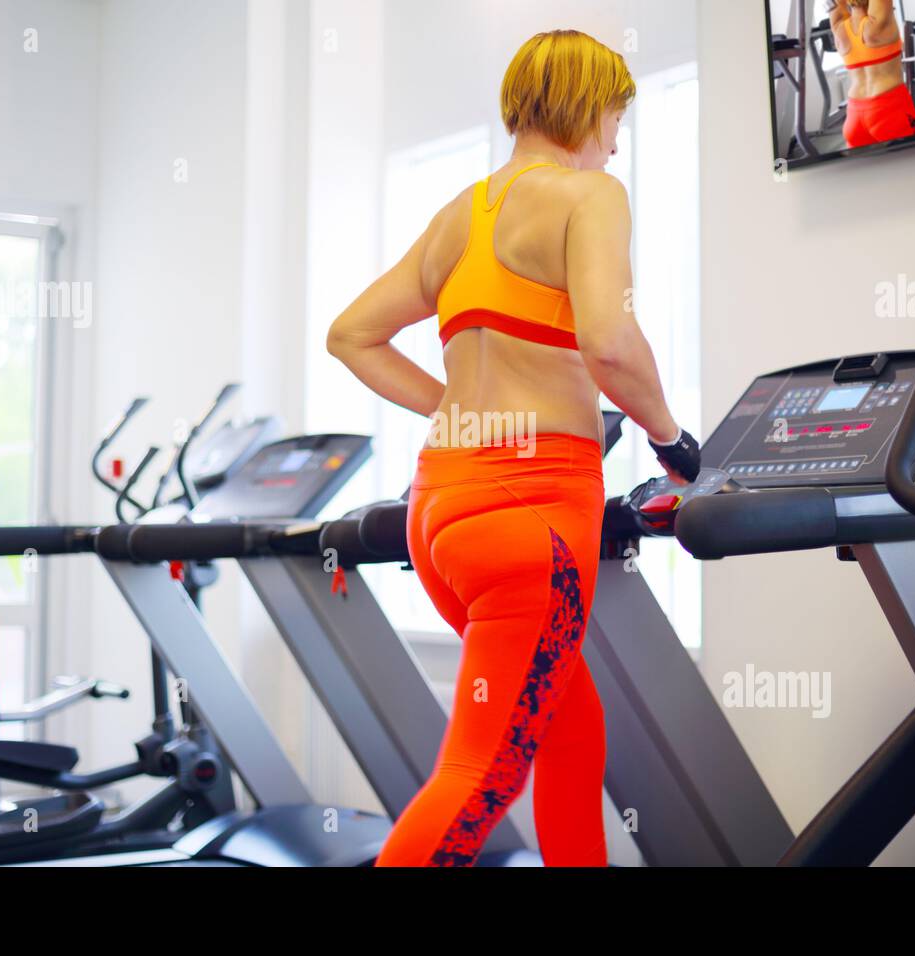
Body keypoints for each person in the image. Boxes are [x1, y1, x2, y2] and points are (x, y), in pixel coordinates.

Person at [326, 29, 699, 867]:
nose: (617, 139)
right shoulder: (587, 197)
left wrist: (453, 411)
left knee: (572, 727)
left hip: (442, 511)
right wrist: (671, 438)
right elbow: (609, 343)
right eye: (615, 117)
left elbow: (352, 335)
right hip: (530, 516)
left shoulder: (462, 213)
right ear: (587, 105)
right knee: (483, 771)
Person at [830, 0, 915, 147]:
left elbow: (832, 4)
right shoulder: (878, 25)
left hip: (854, 117)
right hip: (889, 110)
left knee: (866, 170)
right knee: (911, 167)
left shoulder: (839, 28)